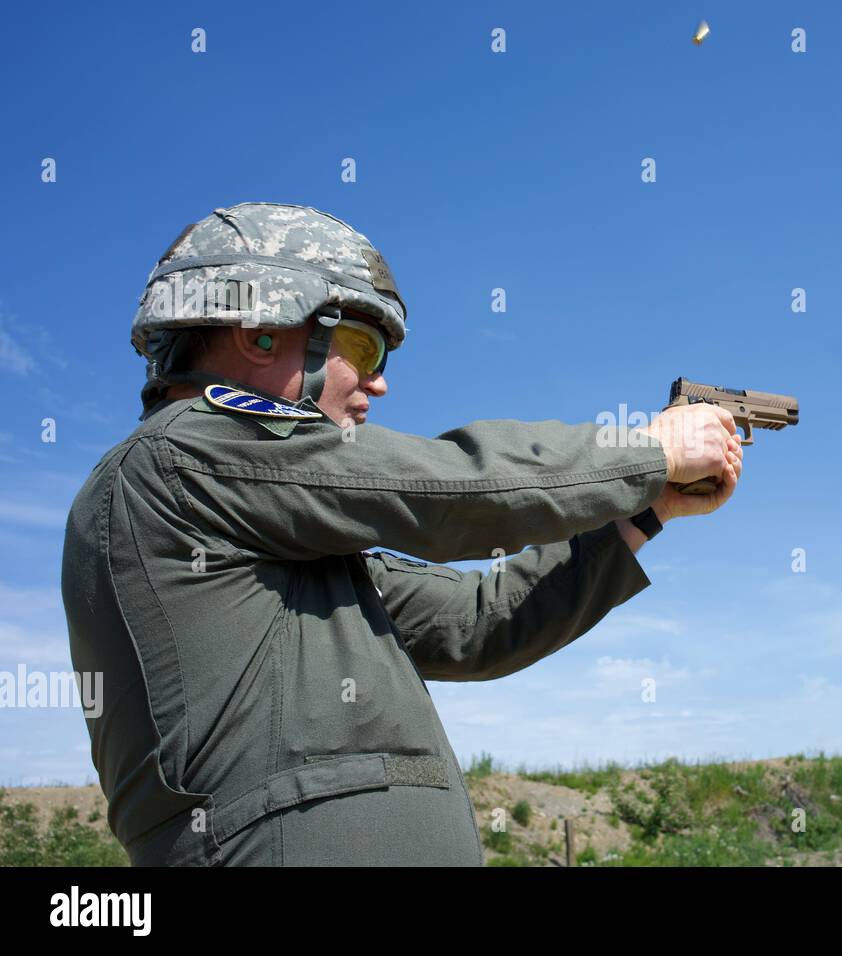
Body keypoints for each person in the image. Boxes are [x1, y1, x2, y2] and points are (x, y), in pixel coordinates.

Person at [61, 202, 743, 866]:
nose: (379, 383)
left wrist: (645, 511)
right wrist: (648, 452)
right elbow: (453, 488)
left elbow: (482, 621)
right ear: (260, 328)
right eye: (364, 345)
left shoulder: (287, 547)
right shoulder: (182, 457)